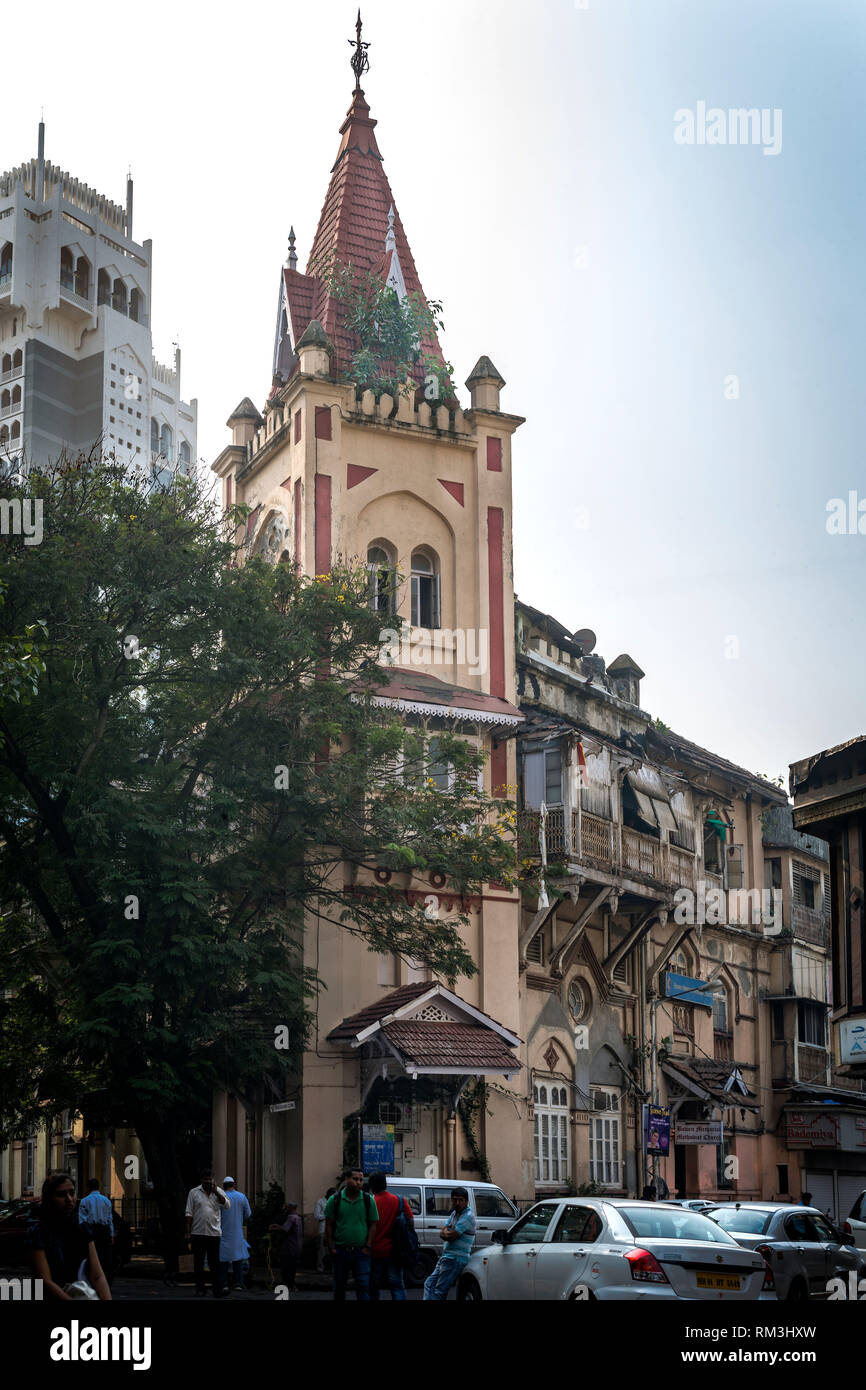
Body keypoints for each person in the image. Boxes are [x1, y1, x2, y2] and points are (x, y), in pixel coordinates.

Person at [25, 1171, 112, 1301]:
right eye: (61, 1194)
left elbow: (97, 1275)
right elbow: (45, 1281)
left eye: (72, 1193)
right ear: (49, 1198)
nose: (69, 1199)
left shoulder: (82, 1228)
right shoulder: (38, 1232)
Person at [324, 1169, 378, 1301]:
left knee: (363, 1287)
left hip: (361, 1252)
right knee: (339, 1287)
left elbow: (373, 1224)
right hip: (340, 1251)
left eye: (360, 1180)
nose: (358, 1182)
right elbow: (328, 1224)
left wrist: (368, 1247)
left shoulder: (368, 1200)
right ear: (346, 1180)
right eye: (355, 1179)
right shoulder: (335, 1200)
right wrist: (331, 1246)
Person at [423, 1187, 476, 1301]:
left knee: (439, 1291)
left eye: (460, 1200)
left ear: (466, 1201)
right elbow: (443, 1232)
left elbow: (451, 1236)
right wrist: (446, 1233)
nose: (457, 1203)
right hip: (446, 1257)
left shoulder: (468, 1216)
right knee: (428, 1284)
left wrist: (446, 1233)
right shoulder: (454, 1214)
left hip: (455, 1259)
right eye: (455, 1200)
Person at [368, 1171, 413, 1301]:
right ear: (385, 1184)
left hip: (375, 1251)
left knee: (374, 1286)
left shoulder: (371, 1202)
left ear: (371, 1186)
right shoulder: (399, 1200)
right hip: (396, 1251)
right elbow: (411, 1222)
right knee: (397, 1285)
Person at [185, 1169, 229, 1296]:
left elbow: (227, 1205)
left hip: (214, 1233)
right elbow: (189, 1212)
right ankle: (200, 1288)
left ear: (213, 1180)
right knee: (198, 1262)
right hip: (198, 1233)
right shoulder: (194, 1192)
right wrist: (187, 1231)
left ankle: (217, 1289)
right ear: (202, 1180)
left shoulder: (218, 1191)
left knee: (214, 1263)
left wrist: (216, 1192)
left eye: (210, 1179)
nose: (208, 1181)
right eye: (206, 1179)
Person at [77, 1177, 115, 1287]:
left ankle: (91, 1282)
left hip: (91, 1231)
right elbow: (109, 1219)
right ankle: (106, 1283)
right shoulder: (106, 1200)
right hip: (104, 1231)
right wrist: (111, 1234)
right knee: (106, 1259)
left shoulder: (85, 1201)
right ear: (98, 1187)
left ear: (88, 1187)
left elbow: (82, 1220)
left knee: (91, 1259)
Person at [219, 1176, 252, 1291]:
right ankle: (238, 1283)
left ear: (224, 1186)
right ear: (233, 1184)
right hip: (237, 1233)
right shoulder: (242, 1197)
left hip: (223, 1232)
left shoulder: (221, 1197)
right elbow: (248, 1214)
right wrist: (239, 1219)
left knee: (223, 1260)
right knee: (237, 1259)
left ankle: (224, 1284)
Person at [270, 1201, 303, 1291]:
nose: (285, 1208)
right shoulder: (298, 1217)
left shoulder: (291, 1217)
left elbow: (285, 1229)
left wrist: (276, 1227)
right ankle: (292, 1285)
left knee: (286, 1267)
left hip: (289, 1247)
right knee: (292, 1267)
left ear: (291, 1208)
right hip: (297, 1246)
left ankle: (289, 1285)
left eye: (287, 1207)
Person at [313, 1187, 336, 1272]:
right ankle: (320, 1268)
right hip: (323, 1230)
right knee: (322, 1250)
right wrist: (328, 1217)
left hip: (333, 1230)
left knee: (332, 1249)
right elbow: (316, 1215)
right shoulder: (320, 1202)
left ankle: (331, 1268)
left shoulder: (334, 1201)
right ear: (328, 1194)